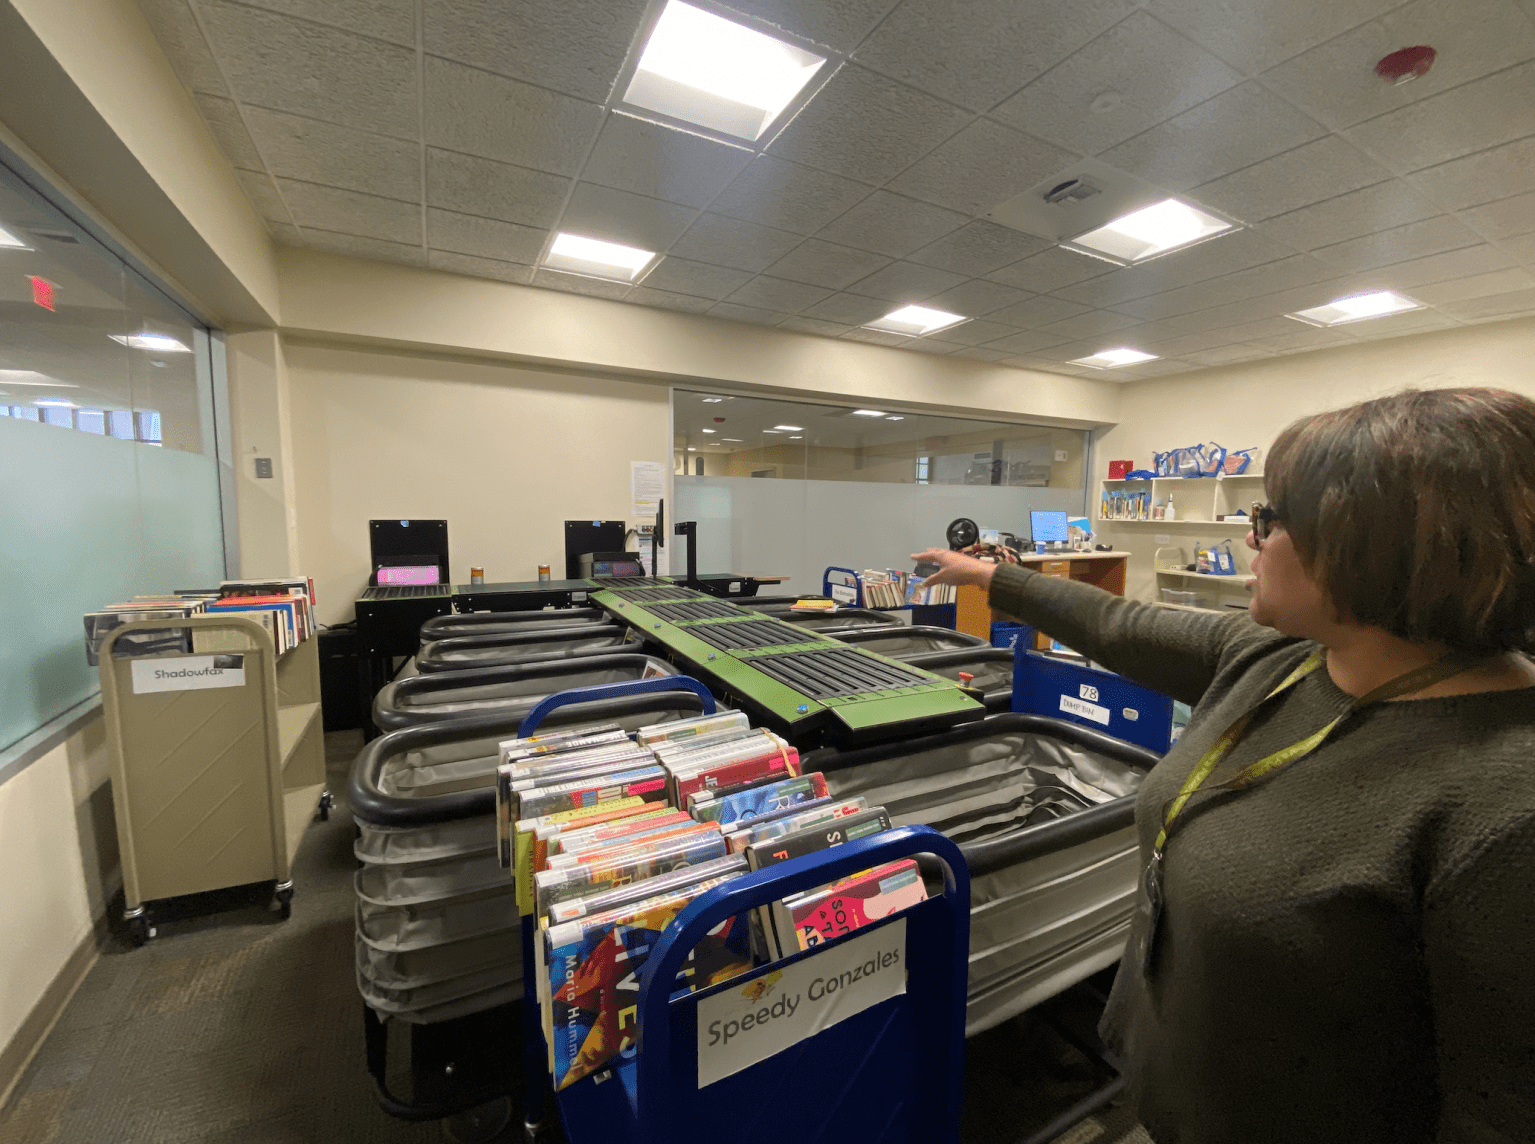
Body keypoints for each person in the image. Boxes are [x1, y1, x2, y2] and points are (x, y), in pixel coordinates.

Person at [913, 387, 1535, 1144]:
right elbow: (1116, 623)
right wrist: (987, 578)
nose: (1250, 539)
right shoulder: (1287, 660)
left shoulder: (1507, 803)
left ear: (1368, 548)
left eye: (1269, 521)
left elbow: (1498, 1110)